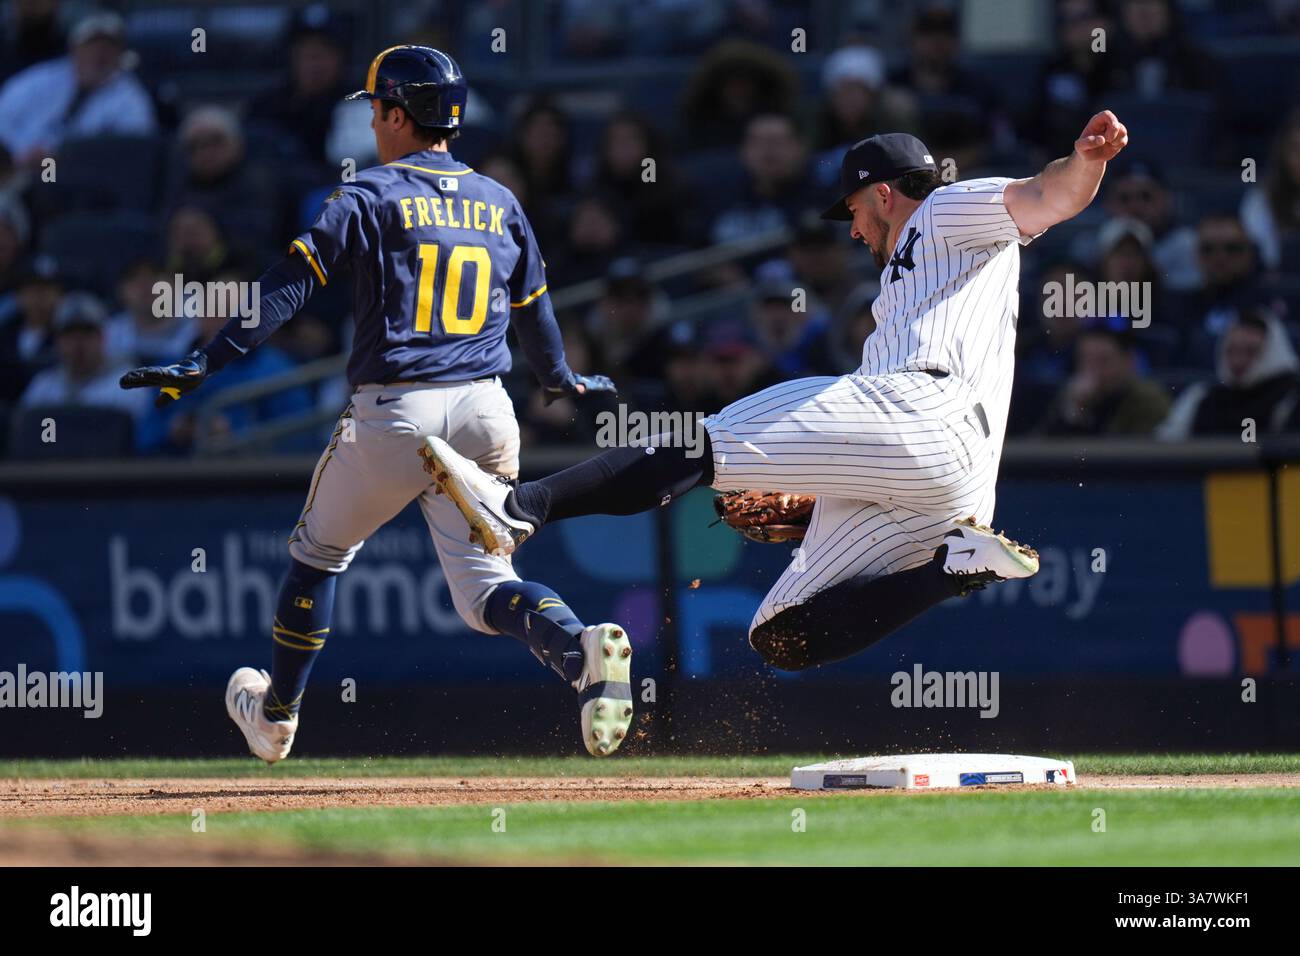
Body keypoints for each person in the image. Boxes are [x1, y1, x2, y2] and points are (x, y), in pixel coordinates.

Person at [424, 111, 1131, 672]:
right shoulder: (912, 277)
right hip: (957, 491)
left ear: (884, 192)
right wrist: (822, 487)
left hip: (925, 406)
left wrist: (1087, 163)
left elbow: (1045, 196)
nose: (852, 227)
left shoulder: (944, 211)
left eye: (853, 208)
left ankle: (521, 508)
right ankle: (955, 569)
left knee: (698, 443)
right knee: (783, 636)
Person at [119, 47, 631, 763]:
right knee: (489, 584)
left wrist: (209, 357)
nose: (372, 123)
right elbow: (536, 314)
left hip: (398, 412)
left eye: (376, 110)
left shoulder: (368, 194)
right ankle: (579, 653)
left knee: (317, 558)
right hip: (488, 408)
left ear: (396, 114)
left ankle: (276, 716)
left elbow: (288, 285)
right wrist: (563, 380)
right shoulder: (499, 199)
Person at [0, 12, 155, 164]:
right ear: (74, 48)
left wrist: (59, 157)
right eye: (92, 46)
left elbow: (130, 153)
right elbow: (4, 116)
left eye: (109, 47)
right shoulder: (41, 79)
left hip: (80, 179)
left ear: (120, 53)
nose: (100, 54)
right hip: (19, 167)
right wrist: (20, 152)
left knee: (48, 176)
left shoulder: (132, 100)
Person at [1157, 308, 1300, 440]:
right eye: (1232, 351)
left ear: (1273, 352)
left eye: (1251, 351)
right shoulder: (1199, 397)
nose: (1238, 361)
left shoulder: (1291, 401)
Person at [1035, 318, 1171, 436]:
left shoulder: (1148, 400)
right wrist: (1072, 414)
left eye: (1103, 361)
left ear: (1129, 361)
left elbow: (1134, 457)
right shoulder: (1071, 395)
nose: (1093, 370)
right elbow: (1039, 450)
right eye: (1086, 360)